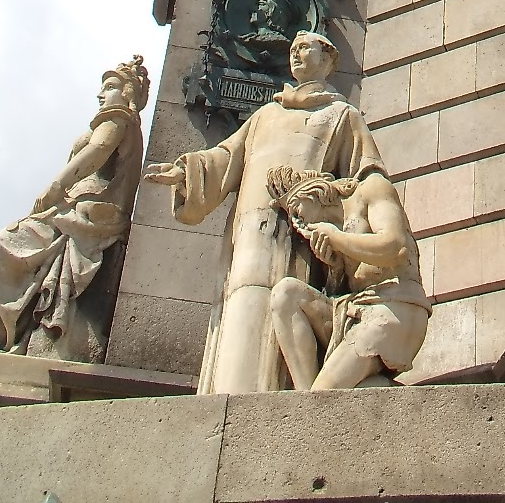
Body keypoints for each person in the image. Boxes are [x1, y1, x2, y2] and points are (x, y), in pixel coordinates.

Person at [144, 30, 383, 394]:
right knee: (241, 316)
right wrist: (186, 171)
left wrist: (323, 204)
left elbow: (364, 183)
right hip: (247, 239)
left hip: (300, 240)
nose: (296, 56)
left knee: (281, 322)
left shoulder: (342, 116)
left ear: (329, 59)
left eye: (306, 49)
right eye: (293, 50)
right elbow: (226, 157)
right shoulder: (266, 114)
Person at [0, 56, 149, 361]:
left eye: (111, 86)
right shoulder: (125, 125)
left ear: (127, 93)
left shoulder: (118, 119)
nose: (102, 95)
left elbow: (97, 151)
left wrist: (56, 186)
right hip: (76, 213)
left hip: (83, 218)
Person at [266, 168, 430, 390]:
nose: (297, 223)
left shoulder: (371, 189)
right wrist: (334, 267)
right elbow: (350, 285)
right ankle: (307, 403)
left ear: (314, 193)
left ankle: (313, 406)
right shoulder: (331, 230)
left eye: (296, 210)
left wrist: (337, 238)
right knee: (286, 293)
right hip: (356, 309)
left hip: (396, 308)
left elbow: (395, 246)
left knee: (325, 392)